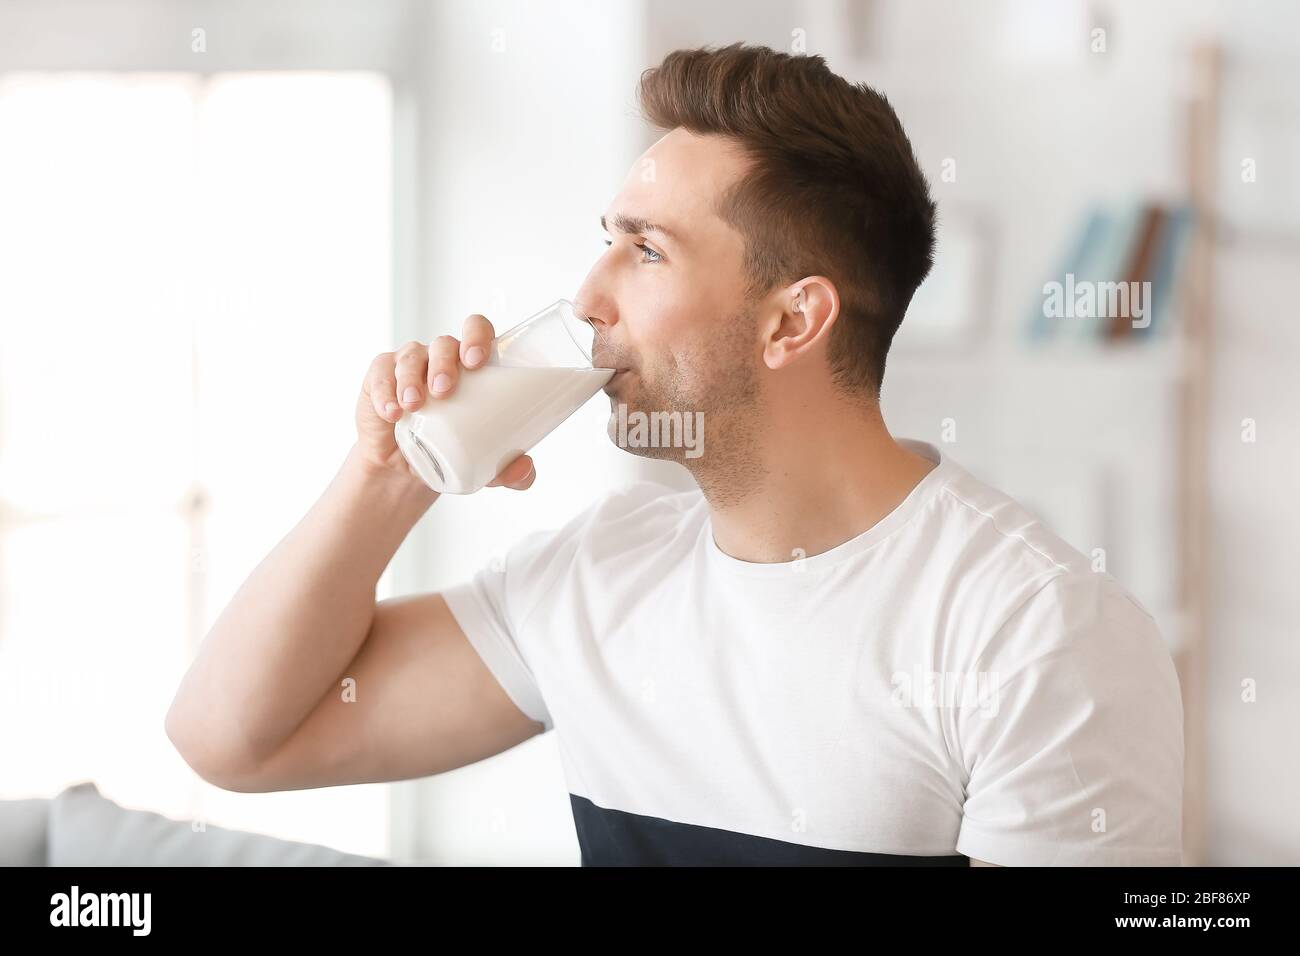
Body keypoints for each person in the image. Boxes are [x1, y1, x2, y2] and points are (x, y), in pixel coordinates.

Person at [167, 42, 1183, 867]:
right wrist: (386, 475)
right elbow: (233, 738)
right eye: (606, 238)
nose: (586, 296)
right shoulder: (602, 571)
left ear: (793, 322)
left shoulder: (1034, 631)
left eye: (645, 251)